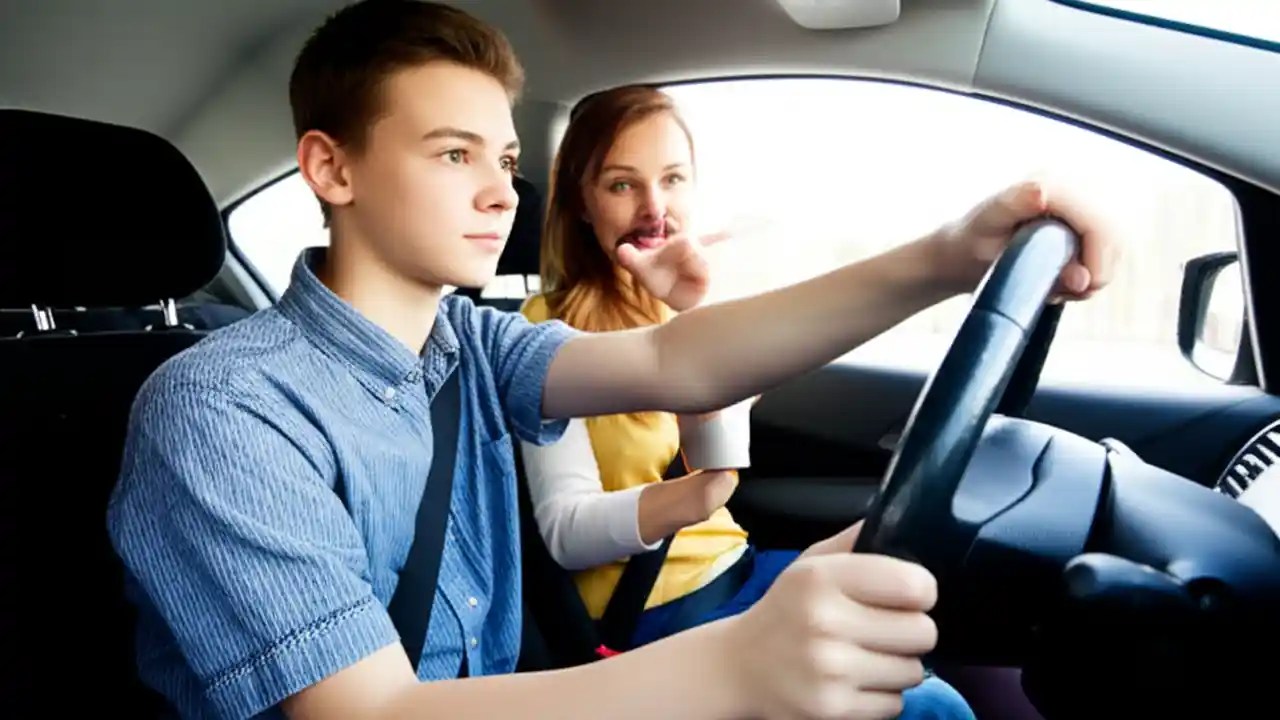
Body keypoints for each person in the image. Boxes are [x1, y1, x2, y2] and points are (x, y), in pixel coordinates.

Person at [104, 1, 1121, 719]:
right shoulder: (221, 410)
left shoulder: (467, 344)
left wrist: (949, 256)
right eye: (453, 154)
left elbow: (681, 362)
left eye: (503, 162)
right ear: (331, 168)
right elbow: (369, 711)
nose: (502, 194)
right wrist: (731, 666)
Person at [518, 84, 976, 718]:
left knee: (929, 608)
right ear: (581, 202)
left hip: (740, 568)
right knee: (933, 708)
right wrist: (696, 496)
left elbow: (721, 443)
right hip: (657, 616)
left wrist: (691, 309)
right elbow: (567, 532)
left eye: (673, 179)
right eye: (623, 185)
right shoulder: (543, 331)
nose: (656, 208)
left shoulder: (694, 296)